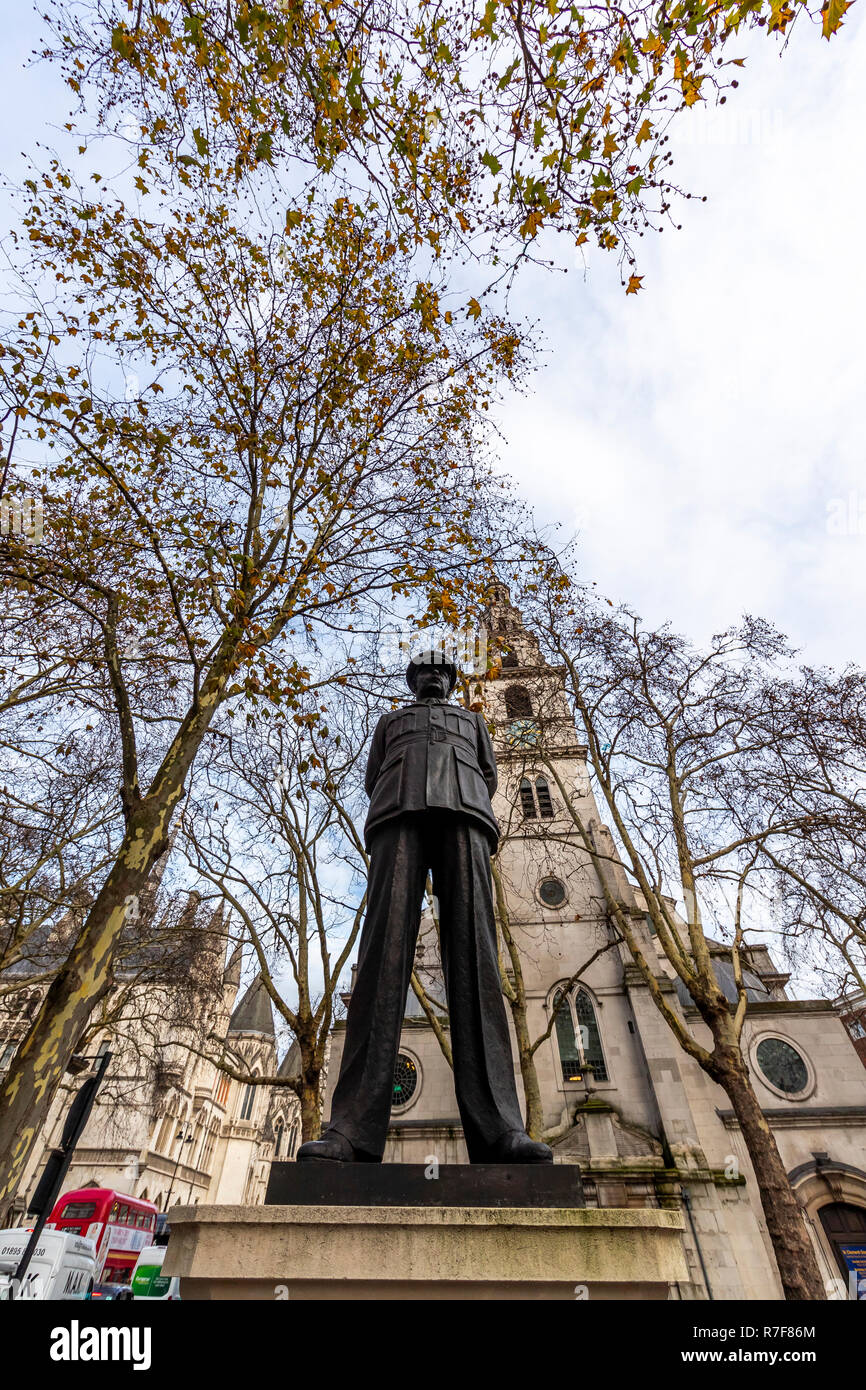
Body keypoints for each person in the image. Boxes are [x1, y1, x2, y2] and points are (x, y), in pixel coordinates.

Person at [297, 651, 553, 1164]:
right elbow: (374, 775)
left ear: (451, 682)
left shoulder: (474, 722)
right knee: (381, 956)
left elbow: (488, 774)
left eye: (442, 672)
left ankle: (500, 1129)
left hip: (465, 816)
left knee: (477, 959)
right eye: (424, 672)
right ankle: (350, 1129)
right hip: (398, 814)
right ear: (413, 682)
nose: (434, 676)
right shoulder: (391, 722)